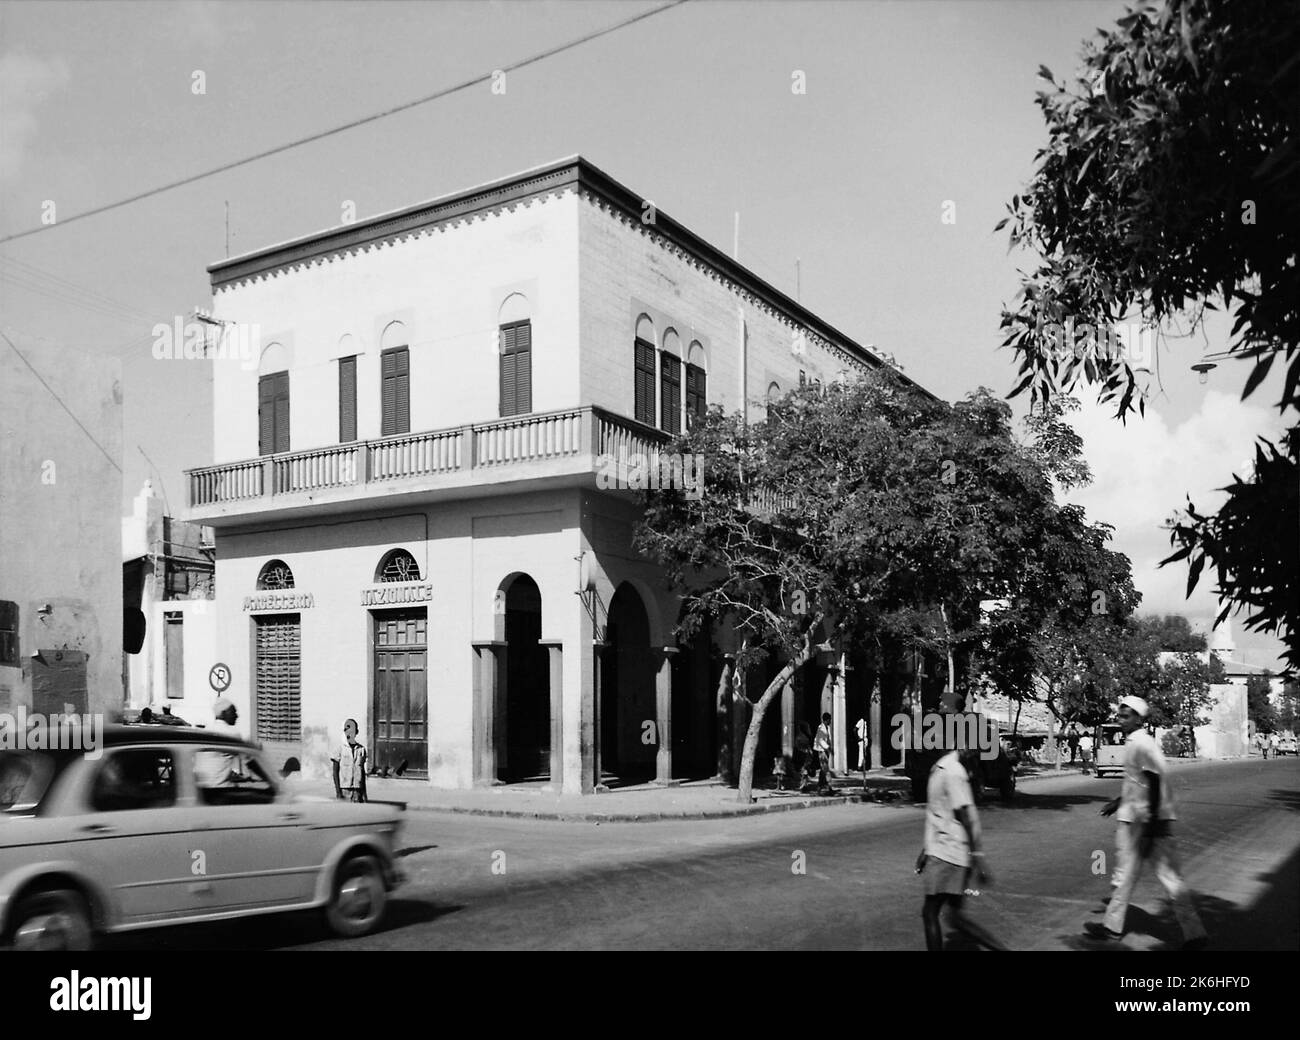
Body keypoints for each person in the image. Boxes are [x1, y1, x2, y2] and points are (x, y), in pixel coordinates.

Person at [1084, 695, 1207, 950]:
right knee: (1123, 877)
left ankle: (1195, 935)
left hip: (1147, 823)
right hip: (1134, 819)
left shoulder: (1143, 744)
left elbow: (1155, 782)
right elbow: (1138, 782)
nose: (1121, 720)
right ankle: (1111, 927)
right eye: (1119, 715)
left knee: (1169, 878)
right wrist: (1118, 802)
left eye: (1126, 716)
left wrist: (1151, 826)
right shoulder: (1133, 742)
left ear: (1139, 719)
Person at [917, 743, 1007, 951]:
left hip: (949, 851)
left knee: (931, 913)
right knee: (955, 917)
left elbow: (965, 817)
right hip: (947, 849)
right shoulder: (945, 767)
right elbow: (941, 812)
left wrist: (978, 857)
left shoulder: (951, 770)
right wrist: (926, 850)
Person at [332, 719, 369, 802]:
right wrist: (338, 792)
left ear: (357, 732)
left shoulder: (361, 749)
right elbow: (335, 772)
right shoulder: (339, 749)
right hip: (344, 790)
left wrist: (364, 793)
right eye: (347, 730)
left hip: (358, 790)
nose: (349, 733)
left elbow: (362, 772)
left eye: (352, 730)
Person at [813, 712, 833, 793]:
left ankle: (820, 786)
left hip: (825, 751)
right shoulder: (821, 728)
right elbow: (821, 741)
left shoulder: (827, 727)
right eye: (830, 720)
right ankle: (829, 786)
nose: (830, 721)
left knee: (823, 770)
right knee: (826, 770)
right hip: (822, 751)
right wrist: (828, 748)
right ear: (827, 720)